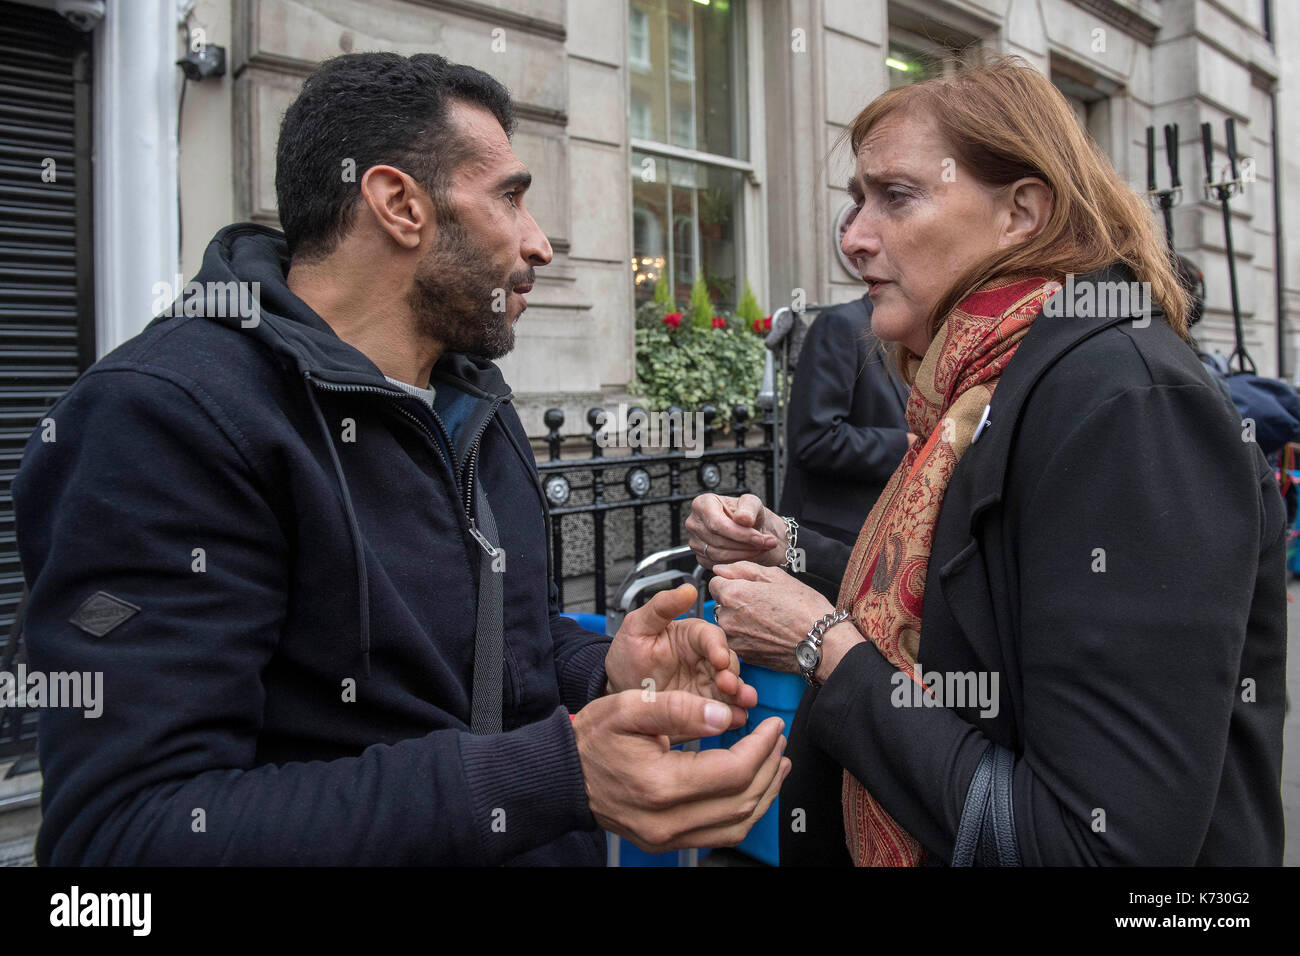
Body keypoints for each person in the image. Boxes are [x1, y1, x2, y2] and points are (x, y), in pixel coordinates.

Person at [13, 52, 789, 866]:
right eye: (511, 198)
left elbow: (488, 648)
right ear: (398, 204)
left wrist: (601, 669)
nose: (539, 244)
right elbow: (125, 837)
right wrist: (554, 776)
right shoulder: (166, 416)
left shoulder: (470, 395)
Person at [686, 55, 1285, 866]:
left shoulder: (1127, 403)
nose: (855, 238)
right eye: (856, 201)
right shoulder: (979, 387)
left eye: (896, 196)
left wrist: (821, 645)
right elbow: (969, 599)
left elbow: (1095, 848)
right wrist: (786, 550)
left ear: (1022, 214)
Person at [777, 294, 912, 600]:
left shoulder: (916, 338)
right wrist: (905, 445)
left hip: (881, 549)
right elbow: (814, 440)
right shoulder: (840, 324)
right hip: (826, 548)